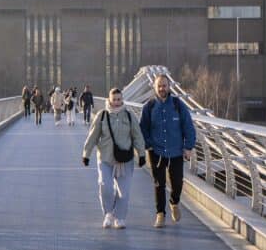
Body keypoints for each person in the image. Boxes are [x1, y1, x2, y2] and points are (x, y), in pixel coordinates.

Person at [81, 87, 147, 229]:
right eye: (114, 99)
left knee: (124, 191)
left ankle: (120, 217)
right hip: (105, 158)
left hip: (125, 159)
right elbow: (93, 135)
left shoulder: (129, 116)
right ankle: (109, 213)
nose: (117, 102)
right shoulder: (102, 115)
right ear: (109, 100)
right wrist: (86, 154)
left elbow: (137, 136)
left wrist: (141, 154)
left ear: (122, 99)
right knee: (105, 186)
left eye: (119, 99)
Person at [140, 72, 196, 228]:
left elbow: (188, 127)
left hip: (176, 151)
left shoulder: (178, 105)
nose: (162, 88)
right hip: (156, 151)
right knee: (159, 184)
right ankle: (160, 214)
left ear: (169, 87)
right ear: (154, 87)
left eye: (164, 85)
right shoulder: (149, 107)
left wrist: (188, 147)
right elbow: (142, 129)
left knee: (177, 182)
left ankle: (174, 202)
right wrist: (148, 144)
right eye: (159, 86)